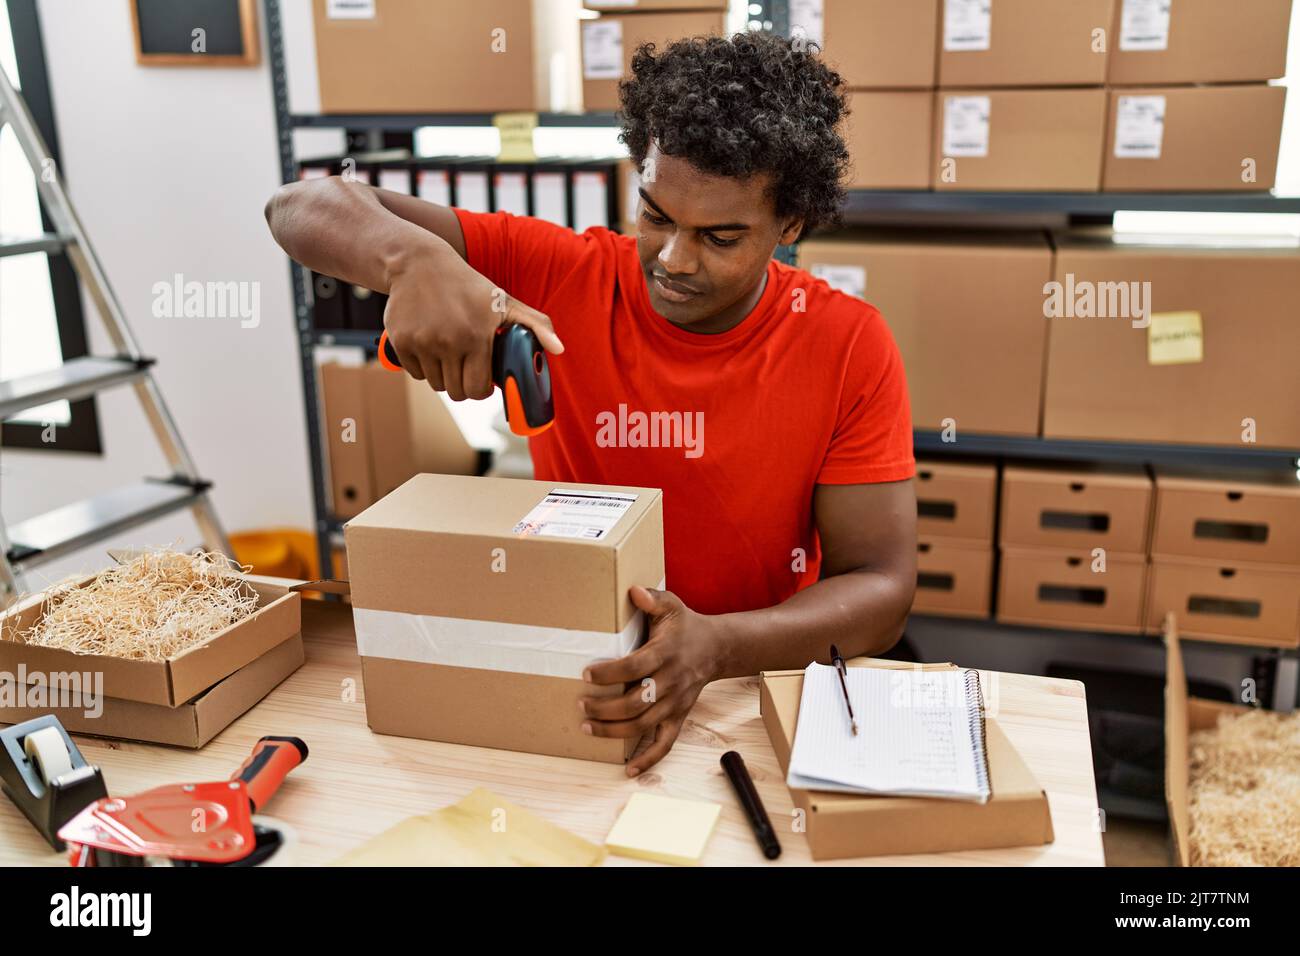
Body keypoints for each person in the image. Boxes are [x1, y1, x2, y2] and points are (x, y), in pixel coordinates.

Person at [265, 31, 917, 776]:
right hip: (575, 673)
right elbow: (297, 205)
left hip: (750, 685)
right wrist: (413, 259)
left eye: (721, 236)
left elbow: (881, 588)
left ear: (790, 226)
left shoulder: (846, 343)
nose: (673, 258)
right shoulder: (562, 271)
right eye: (656, 215)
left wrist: (717, 645)